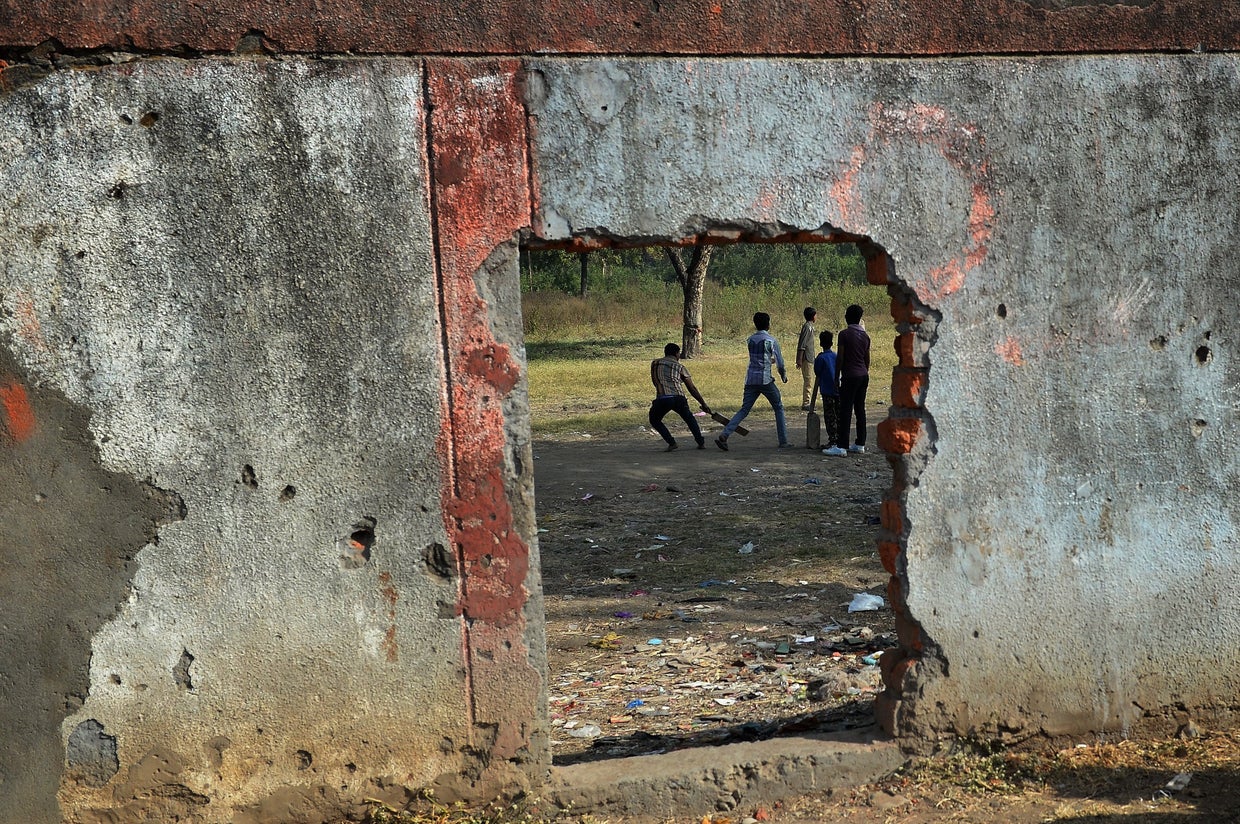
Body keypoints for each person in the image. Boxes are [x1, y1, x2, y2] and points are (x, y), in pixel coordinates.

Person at [715, 312, 791, 451]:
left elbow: (759, 358)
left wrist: (769, 361)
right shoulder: (771, 340)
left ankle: (725, 434)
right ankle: (783, 440)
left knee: (744, 410)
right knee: (778, 407)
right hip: (765, 380)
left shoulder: (750, 340)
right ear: (768, 324)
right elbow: (780, 363)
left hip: (751, 379)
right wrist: (783, 375)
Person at [823, 304, 870, 456]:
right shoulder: (865, 336)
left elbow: (841, 358)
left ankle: (842, 445)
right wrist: (864, 371)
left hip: (850, 376)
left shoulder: (844, 334)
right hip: (863, 375)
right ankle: (860, 443)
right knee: (860, 409)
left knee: (845, 411)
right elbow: (867, 358)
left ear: (847, 317)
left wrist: (837, 377)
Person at [649, 343, 711, 451]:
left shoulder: (655, 363)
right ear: (677, 354)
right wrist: (703, 404)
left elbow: (655, 381)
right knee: (689, 419)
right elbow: (692, 388)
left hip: (663, 398)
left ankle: (671, 442)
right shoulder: (680, 367)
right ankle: (701, 442)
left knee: (654, 419)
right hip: (679, 398)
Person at [811, 329, 840, 451]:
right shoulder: (836, 356)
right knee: (839, 415)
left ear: (821, 343)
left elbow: (817, 372)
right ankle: (840, 439)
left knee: (830, 417)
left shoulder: (821, 358)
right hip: (838, 390)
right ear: (832, 343)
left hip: (827, 391)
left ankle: (833, 440)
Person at [796, 307, 817, 410]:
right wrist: (799, 359)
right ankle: (806, 403)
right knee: (808, 380)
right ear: (813, 316)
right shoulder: (807, 327)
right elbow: (802, 345)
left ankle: (807, 401)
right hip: (806, 358)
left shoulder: (810, 327)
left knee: (809, 380)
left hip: (810, 357)